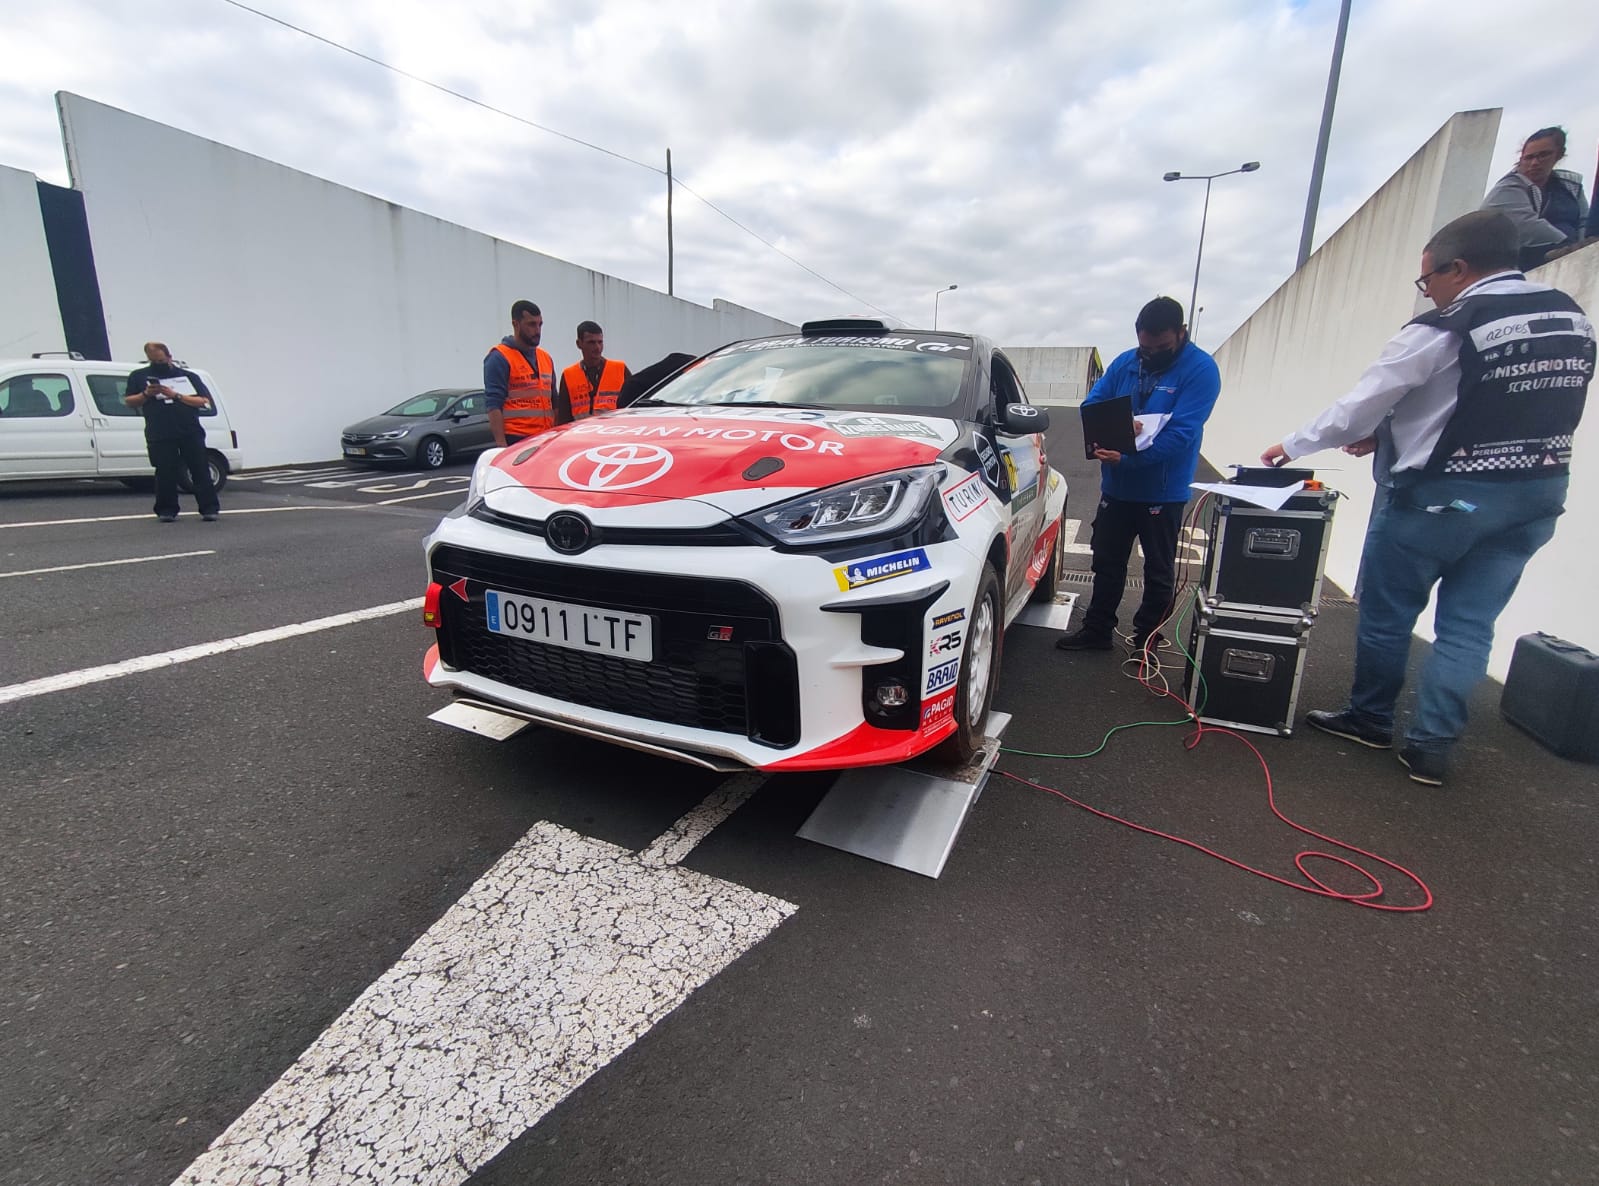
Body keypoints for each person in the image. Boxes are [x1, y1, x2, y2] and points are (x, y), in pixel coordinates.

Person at [1260, 210, 1595, 787]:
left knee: (1390, 613)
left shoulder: (1449, 324)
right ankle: (1432, 747)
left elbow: (1359, 405)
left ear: (1458, 268)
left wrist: (1291, 445)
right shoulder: (1571, 318)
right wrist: (1390, 433)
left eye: (1428, 279)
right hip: (1536, 496)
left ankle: (1370, 718)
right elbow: (1488, 404)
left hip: (1443, 498)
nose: (1428, 291)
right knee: (1469, 626)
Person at [1057, 296, 1221, 653]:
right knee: (1106, 561)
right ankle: (1098, 630)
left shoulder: (1201, 371)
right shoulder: (1127, 363)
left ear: (1182, 333)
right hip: (1117, 489)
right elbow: (1091, 405)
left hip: (1162, 493)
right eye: (1145, 346)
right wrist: (1115, 423)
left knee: (1158, 572)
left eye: (1160, 347)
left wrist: (1127, 458)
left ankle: (1147, 640)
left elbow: (1182, 435)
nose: (1150, 354)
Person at [123, 341, 220, 522]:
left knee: (199, 468)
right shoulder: (138, 376)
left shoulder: (188, 376)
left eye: (161, 360)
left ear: (169, 357)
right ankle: (166, 510)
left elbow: (203, 401)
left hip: (189, 430)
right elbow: (129, 401)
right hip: (159, 431)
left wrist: (175, 395)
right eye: (153, 361)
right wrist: (146, 394)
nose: (158, 365)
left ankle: (209, 508)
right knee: (164, 471)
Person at [1482, 127, 1590, 271]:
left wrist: (1586, 245)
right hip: (1525, 262)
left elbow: (1585, 221)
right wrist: (1569, 246)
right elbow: (1526, 227)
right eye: (1529, 157)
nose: (1535, 163)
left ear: (1559, 155)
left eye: (1543, 155)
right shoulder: (1508, 188)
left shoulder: (1570, 186)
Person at [485, 300, 561, 447]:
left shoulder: (545, 357)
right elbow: (494, 405)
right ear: (516, 324)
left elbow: (554, 399)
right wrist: (502, 446)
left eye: (540, 325)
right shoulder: (499, 357)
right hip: (516, 439)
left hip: (545, 437)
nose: (537, 330)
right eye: (531, 325)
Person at [559, 321, 631, 420]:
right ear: (579, 344)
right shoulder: (569, 375)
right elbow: (563, 419)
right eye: (591, 343)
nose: (597, 347)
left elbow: (634, 407)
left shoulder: (620, 369)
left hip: (613, 433)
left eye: (600, 342)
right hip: (581, 434)